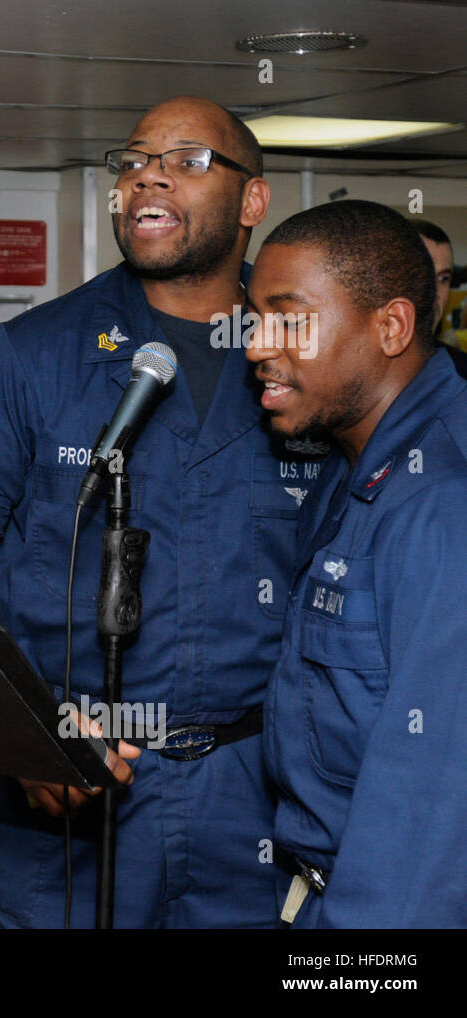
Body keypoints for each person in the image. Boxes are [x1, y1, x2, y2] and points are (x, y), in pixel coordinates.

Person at [0, 96, 318, 929]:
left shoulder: (301, 362)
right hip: (70, 790)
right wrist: (28, 733)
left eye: (189, 160)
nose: (149, 175)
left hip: (251, 798)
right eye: (132, 162)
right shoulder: (28, 356)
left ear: (254, 201)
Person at [246, 200, 467, 927]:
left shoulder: (441, 500)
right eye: (254, 319)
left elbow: (431, 818)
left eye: (289, 319)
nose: (256, 345)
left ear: (392, 327)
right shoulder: (360, 466)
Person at [412, 219, 467, 377]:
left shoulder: (460, 374)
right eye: (422, 275)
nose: (434, 292)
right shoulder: (346, 370)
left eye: (443, 279)